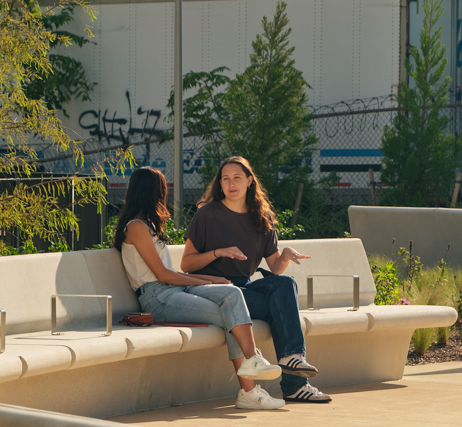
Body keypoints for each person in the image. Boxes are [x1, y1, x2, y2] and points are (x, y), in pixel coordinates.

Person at [113, 165, 287, 410]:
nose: (165, 194)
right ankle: (250, 384)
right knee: (231, 317)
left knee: (232, 293)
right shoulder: (136, 227)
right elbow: (163, 275)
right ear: (151, 191)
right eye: (162, 189)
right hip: (157, 297)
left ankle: (252, 367)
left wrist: (211, 280)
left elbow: (171, 274)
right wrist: (207, 280)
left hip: (172, 291)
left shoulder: (148, 226)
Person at [181, 155, 332, 405]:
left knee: (286, 284)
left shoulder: (262, 216)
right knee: (279, 309)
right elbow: (186, 264)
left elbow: (275, 267)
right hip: (216, 290)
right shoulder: (207, 215)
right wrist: (219, 252)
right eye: (225, 179)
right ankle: (295, 385)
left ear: (250, 180)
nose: (231, 184)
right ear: (220, 183)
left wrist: (285, 255)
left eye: (237, 178)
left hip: (244, 288)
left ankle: (292, 359)